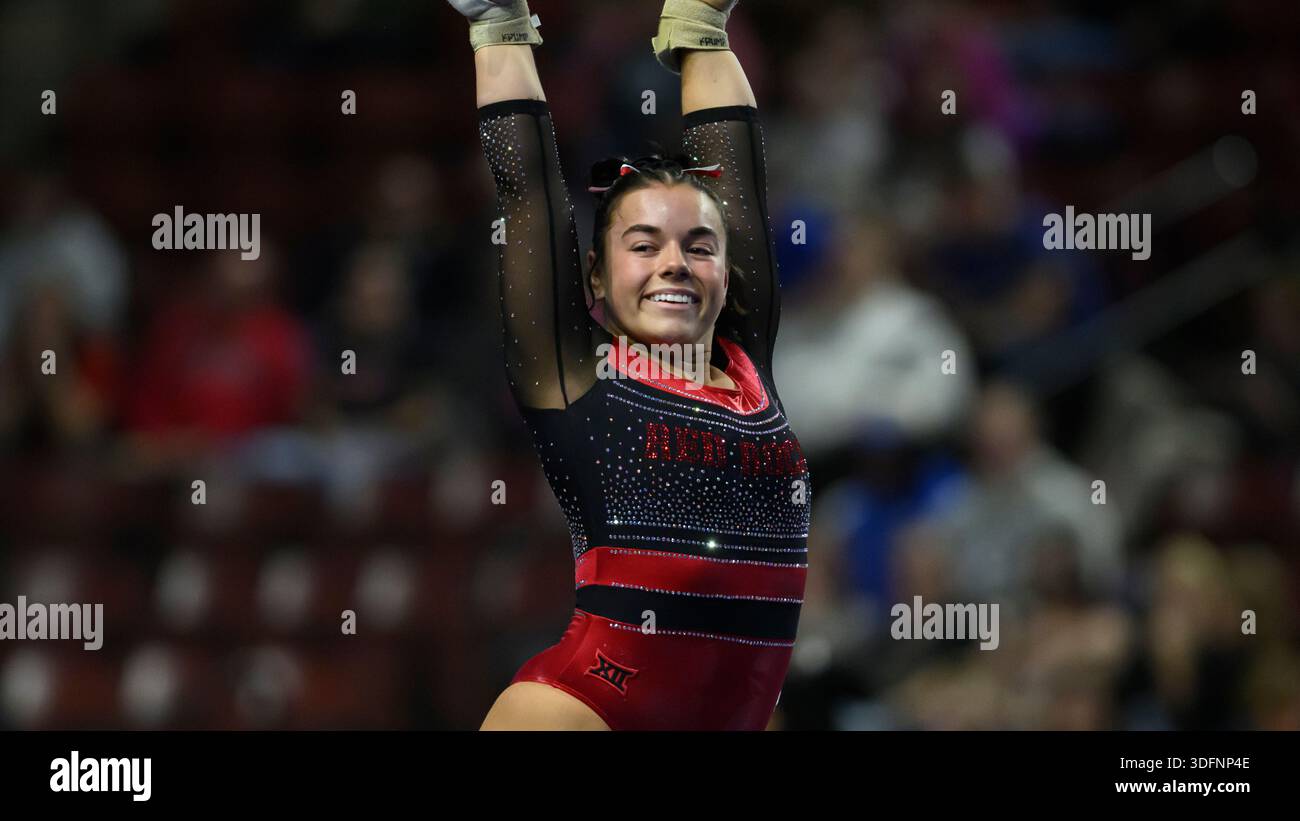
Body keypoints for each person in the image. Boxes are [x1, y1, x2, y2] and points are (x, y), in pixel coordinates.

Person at [448, 0, 811, 729]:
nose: (674, 263)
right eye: (643, 245)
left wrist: (703, 23)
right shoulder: (577, 376)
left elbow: (737, 172)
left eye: (698, 246)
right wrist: (497, 23)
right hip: (582, 709)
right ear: (593, 280)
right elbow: (528, 198)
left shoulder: (746, 363)